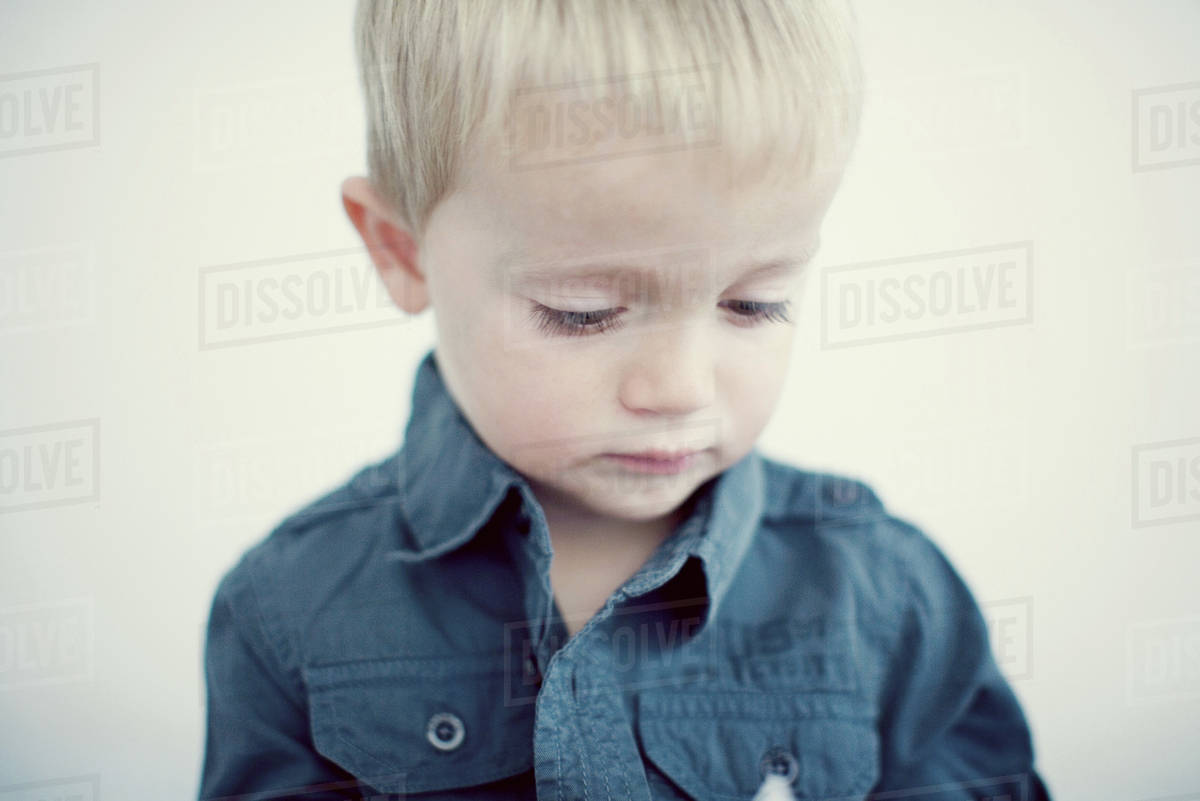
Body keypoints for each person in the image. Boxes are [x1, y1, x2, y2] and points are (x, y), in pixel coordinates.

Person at [199, 1, 1053, 799]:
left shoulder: (888, 594)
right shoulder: (289, 607)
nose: (679, 388)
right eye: (585, 312)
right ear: (402, 250)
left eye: (753, 303)